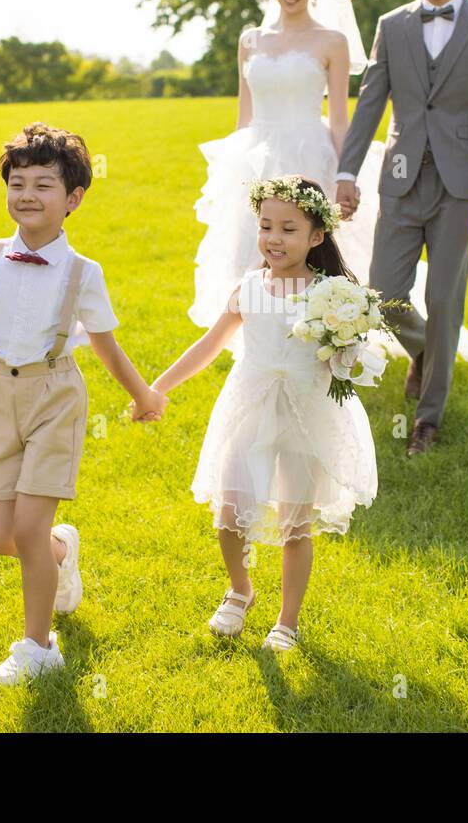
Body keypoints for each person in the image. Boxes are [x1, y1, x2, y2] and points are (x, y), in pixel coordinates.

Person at [0, 122, 166, 685]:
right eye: (17, 183)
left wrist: (143, 396)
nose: (26, 195)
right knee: (1, 537)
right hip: (1, 395)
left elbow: (106, 345)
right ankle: (59, 552)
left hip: (56, 397)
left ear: (73, 199)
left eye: (43, 185)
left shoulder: (83, 272)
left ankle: (38, 650)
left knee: (25, 528)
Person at [187, 0, 468, 365]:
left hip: (312, 152)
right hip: (256, 155)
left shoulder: (331, 41)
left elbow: (343, 118)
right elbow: (244, 114)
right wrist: (235, 166)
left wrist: (347, 174)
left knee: (330, 257)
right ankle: (266, 354)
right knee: (253, 253)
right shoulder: (250, 40)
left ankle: (366, 347)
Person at [144, 176, 377, 652]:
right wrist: (156, 388)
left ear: (316, 236)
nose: (274, 238)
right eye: (265, 225)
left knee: (296, 523)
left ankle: (286, 621)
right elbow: (209, 347)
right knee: (230, 513)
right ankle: (240, 588)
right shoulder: (248, 288)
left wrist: (344, 346)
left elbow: (348, 362)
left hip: (302, 415)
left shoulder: (331, 294)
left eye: (288, 229)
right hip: (249, 408)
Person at [336, 0, 468, 456]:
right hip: (400, 177)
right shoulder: (392, 26)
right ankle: (424, 354)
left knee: (445, 298)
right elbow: (370, 102)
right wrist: (346, 170)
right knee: (384, 293)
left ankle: (429, 419)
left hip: (459, 185)